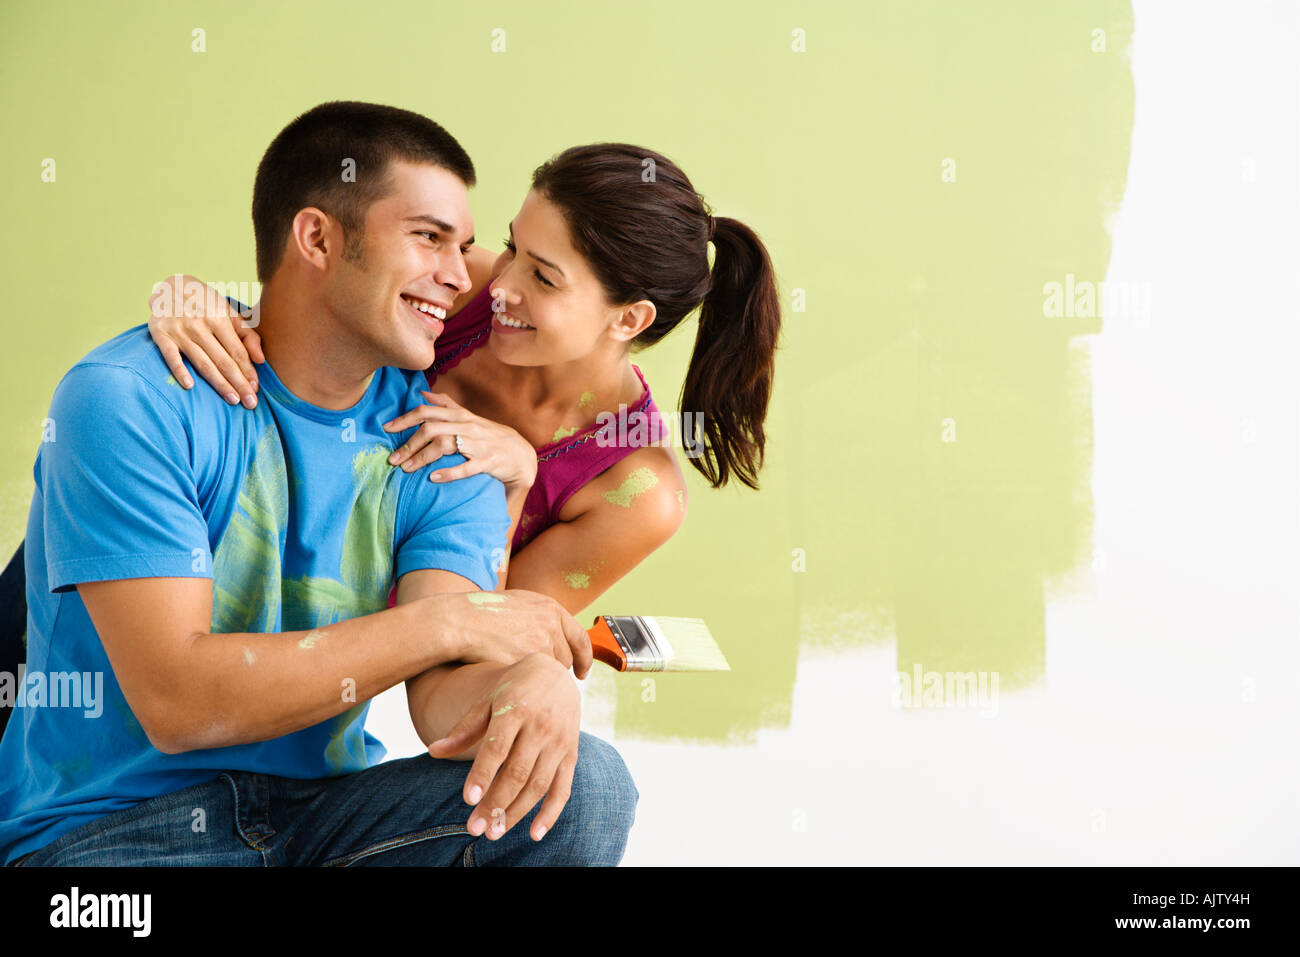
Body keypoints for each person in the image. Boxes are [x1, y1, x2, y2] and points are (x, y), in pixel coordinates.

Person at [0, 100, 637, 868]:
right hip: (116, 832)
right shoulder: (132, 396)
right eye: (431, 238)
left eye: (463, 246)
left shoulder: (449, 447)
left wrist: (529, 685)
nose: (464, 275)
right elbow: (178, 705)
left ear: (626, 321)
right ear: (316, 236)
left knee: (593, 785)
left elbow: (441, 703)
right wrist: (453, 622)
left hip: (323, 821)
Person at [142, 142, 782, 613]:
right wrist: (191, 295)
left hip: (300, 635)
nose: (499, 283)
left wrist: (514, 482)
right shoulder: (465, 285)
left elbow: (479, 641)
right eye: (511, 247)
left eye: (544, 277)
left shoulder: (635, 493)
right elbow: (301, 302)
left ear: (629, 318)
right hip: (200, 538)